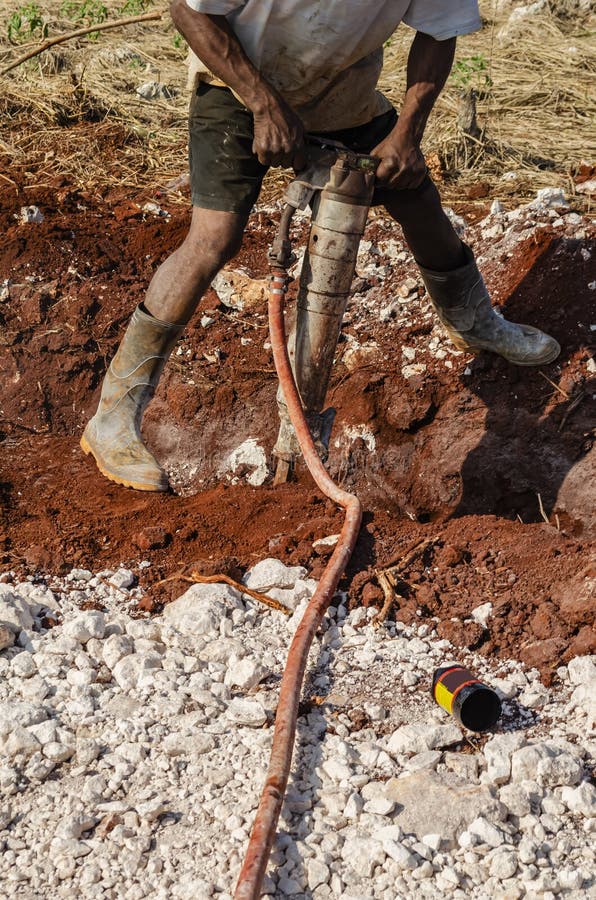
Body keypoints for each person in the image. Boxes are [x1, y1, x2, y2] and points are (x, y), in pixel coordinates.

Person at [81, 0, 560, 492]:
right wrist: (265, 105)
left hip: (342, 97)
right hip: (239, 85)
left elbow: (439, 32)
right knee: (214, 237)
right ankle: (113, 418)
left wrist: (406, 134)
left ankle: (472, 320)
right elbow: (189, 10)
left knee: (417, 202)